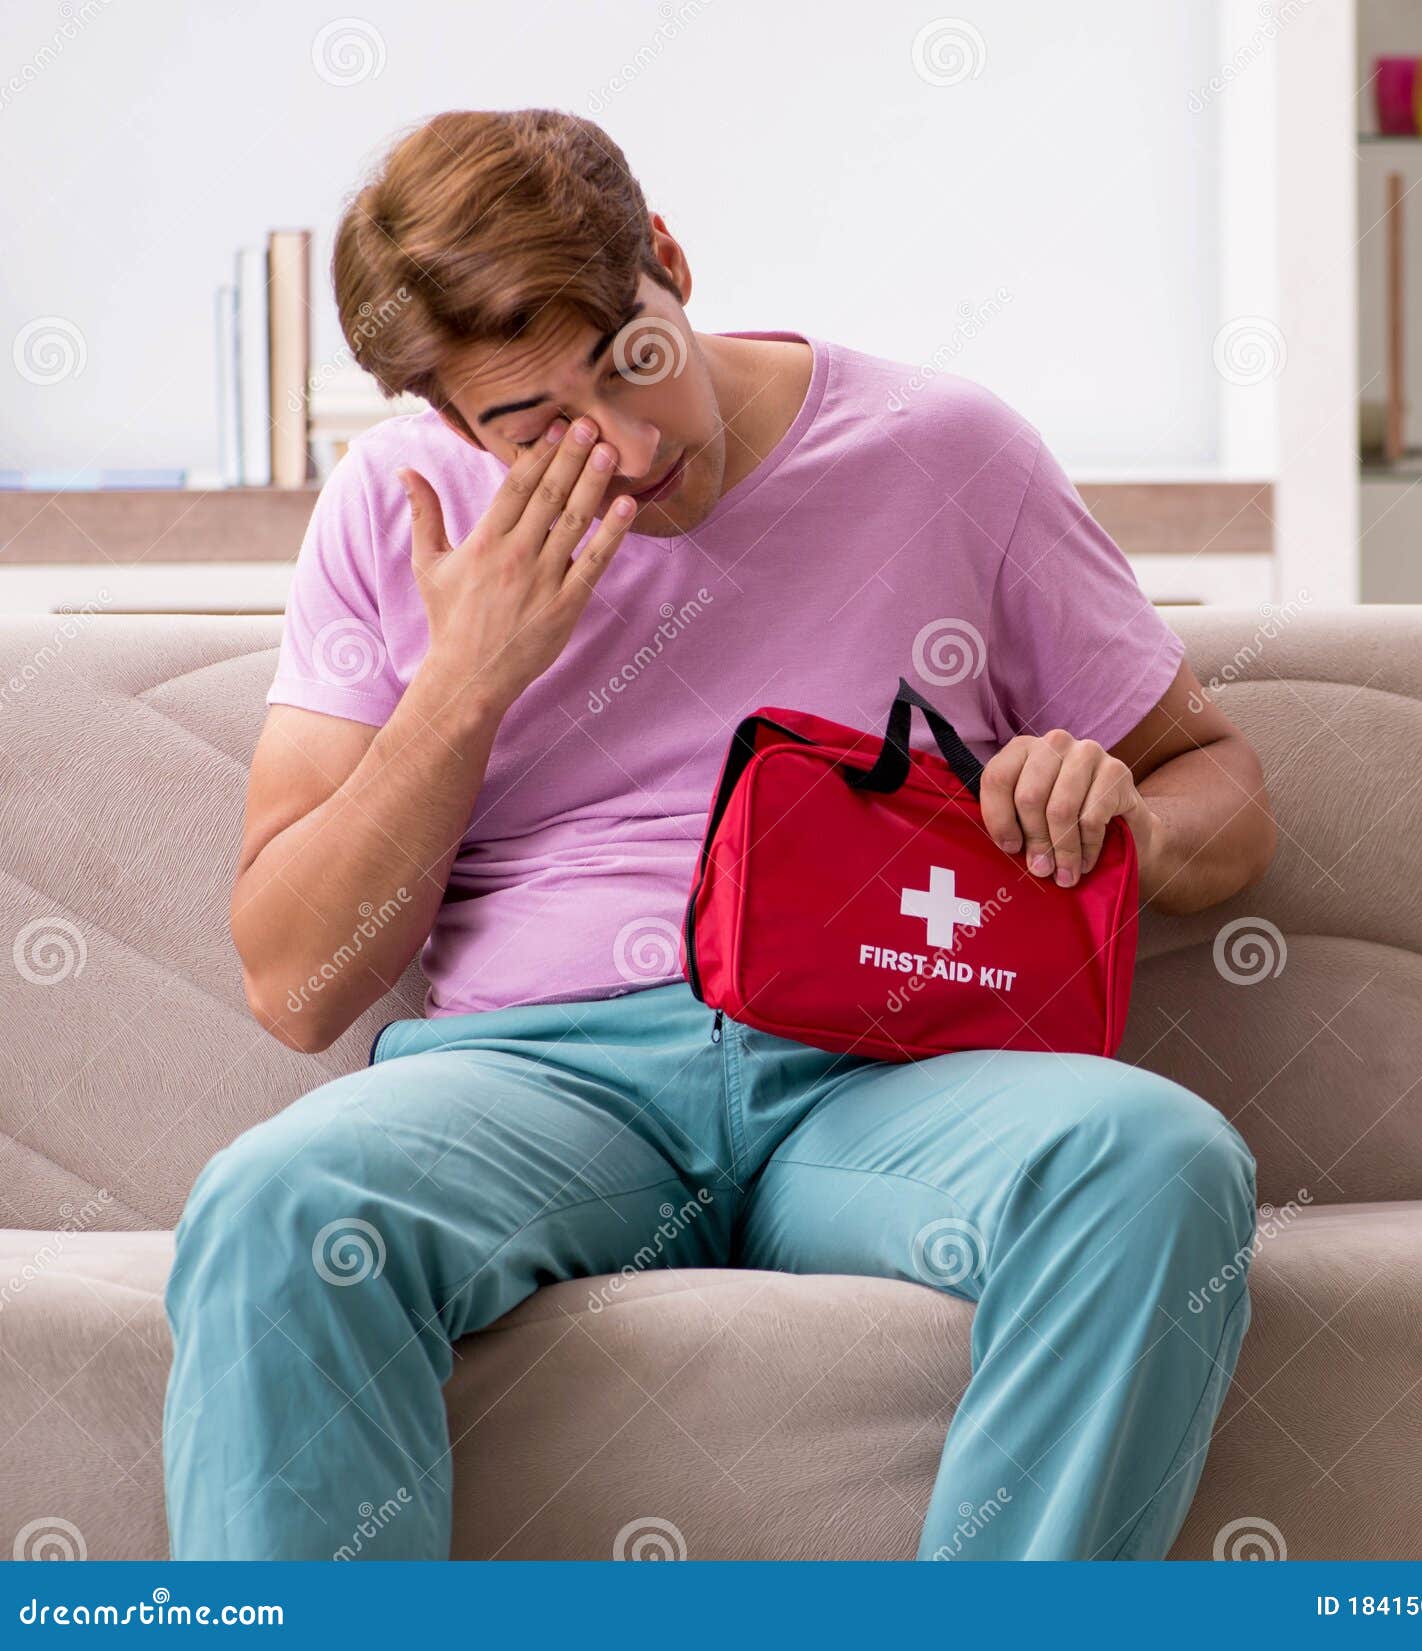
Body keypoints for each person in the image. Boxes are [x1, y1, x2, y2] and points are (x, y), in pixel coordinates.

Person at [163, 109, 1276, 1561]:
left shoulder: (946, 450)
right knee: (274, 1204)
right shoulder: (399, 510)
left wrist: (1129, 820)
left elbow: (1218, 784)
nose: (629, 448)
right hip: (543, 1088)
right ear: (450, 423)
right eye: (537, 428)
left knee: (1156, 1158)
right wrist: (468, 680)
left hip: (884, 1079)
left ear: (672, 265)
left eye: (632, 359)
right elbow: (296, 984)